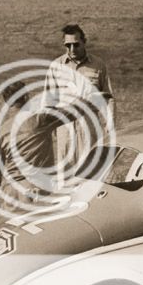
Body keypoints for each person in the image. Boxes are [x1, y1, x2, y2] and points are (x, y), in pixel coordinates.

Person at [0, 81, 105, 215]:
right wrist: (98, 99)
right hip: (36, 191)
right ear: (26, 97)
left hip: (11, 195)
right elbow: (74, 111)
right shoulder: (39, 118)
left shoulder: (1, 132)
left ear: (7, 103)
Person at [43, 24, 115, 180]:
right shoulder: (56, 67)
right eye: (67, 45)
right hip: (65, 134)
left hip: (90, 132)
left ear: (84, 42)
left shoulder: (98, 66)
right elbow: (48, 104)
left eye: (76, 44)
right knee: (66, 182)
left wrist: (110, 125)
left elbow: (108, 98)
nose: (72, 49)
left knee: (91, 179)